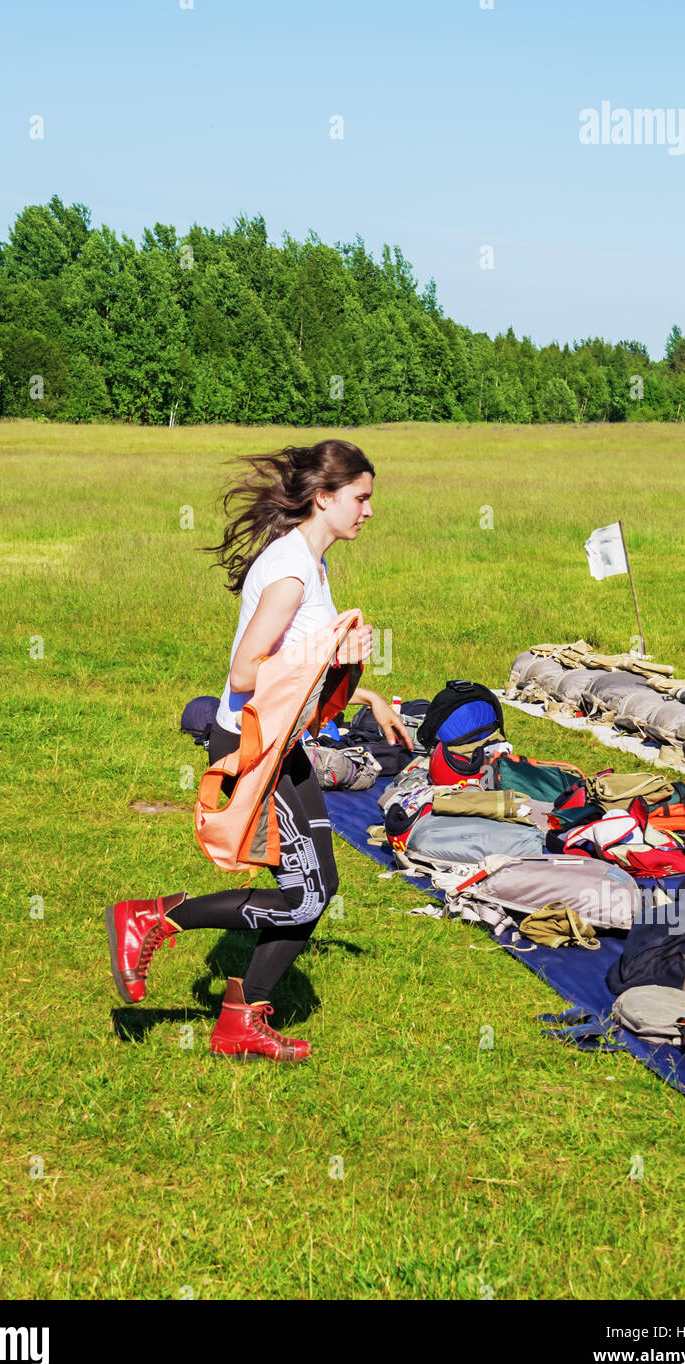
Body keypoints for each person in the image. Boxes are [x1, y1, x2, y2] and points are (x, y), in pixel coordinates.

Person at [106, 439, 413, 1062]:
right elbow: (246, 671)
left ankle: (240, 1020)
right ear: (323, 498)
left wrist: (365, 691)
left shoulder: (309, 559)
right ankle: (152, 919)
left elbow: (291, 663)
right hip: (255, 743)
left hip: (282, 739)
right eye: (360, 498)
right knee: (307, 892)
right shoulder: (293, 572)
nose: (369, 511)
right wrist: (332, 654)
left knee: (315, 886)